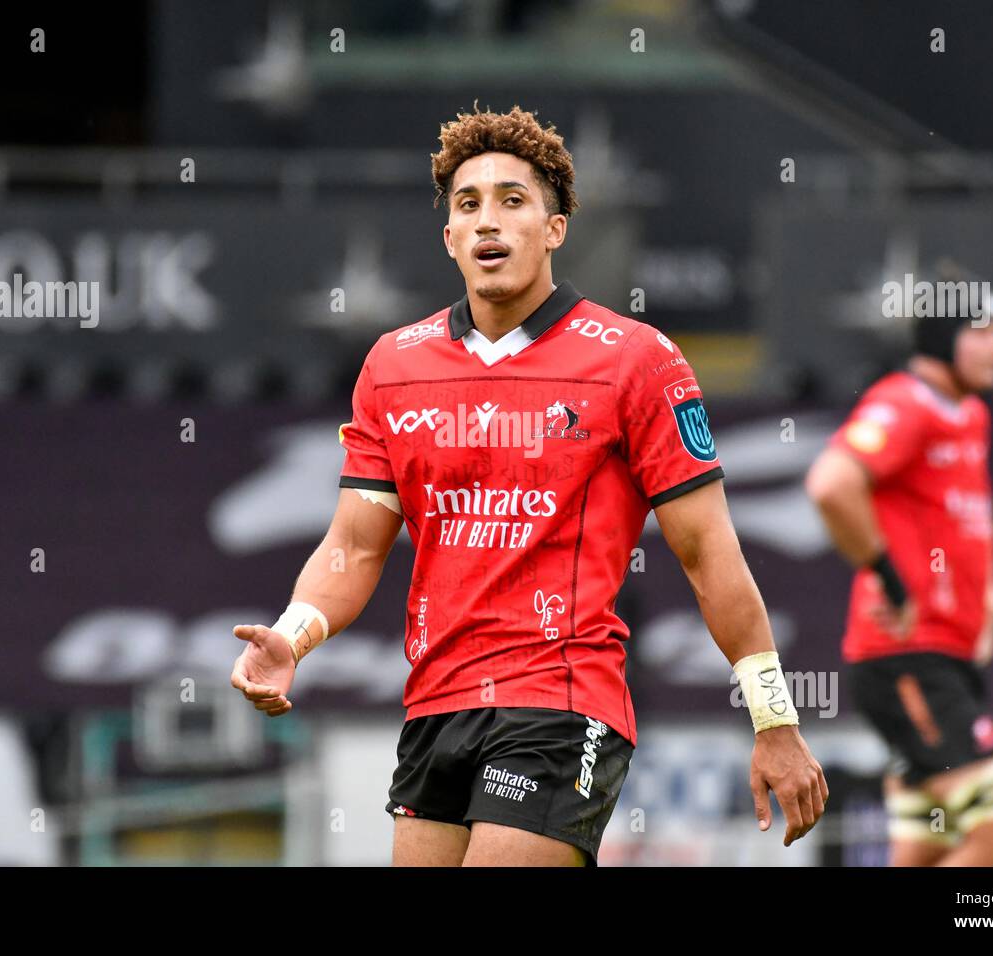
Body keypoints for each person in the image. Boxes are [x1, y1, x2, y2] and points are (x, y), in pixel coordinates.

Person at [232, 103, 826, 866]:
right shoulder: (393, 366)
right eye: (468, 205)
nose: (489, 222)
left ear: (555, 229)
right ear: (448, 236)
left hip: (562, 700)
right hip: (436, 706)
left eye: (514, 201)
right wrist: (292, 635)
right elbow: (353, 546)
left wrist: (774, 720)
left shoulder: (635, 359)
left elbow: (711, 553)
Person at [805, 267, 993, 866]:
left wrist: (992, 596)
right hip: (907, 657)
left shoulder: (970, 414)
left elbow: (970, 515)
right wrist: (887, 575)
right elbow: (832, 484)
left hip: (942, 660)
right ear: (942, 336)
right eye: (983, 328)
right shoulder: (905, 402)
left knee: (925, 851)